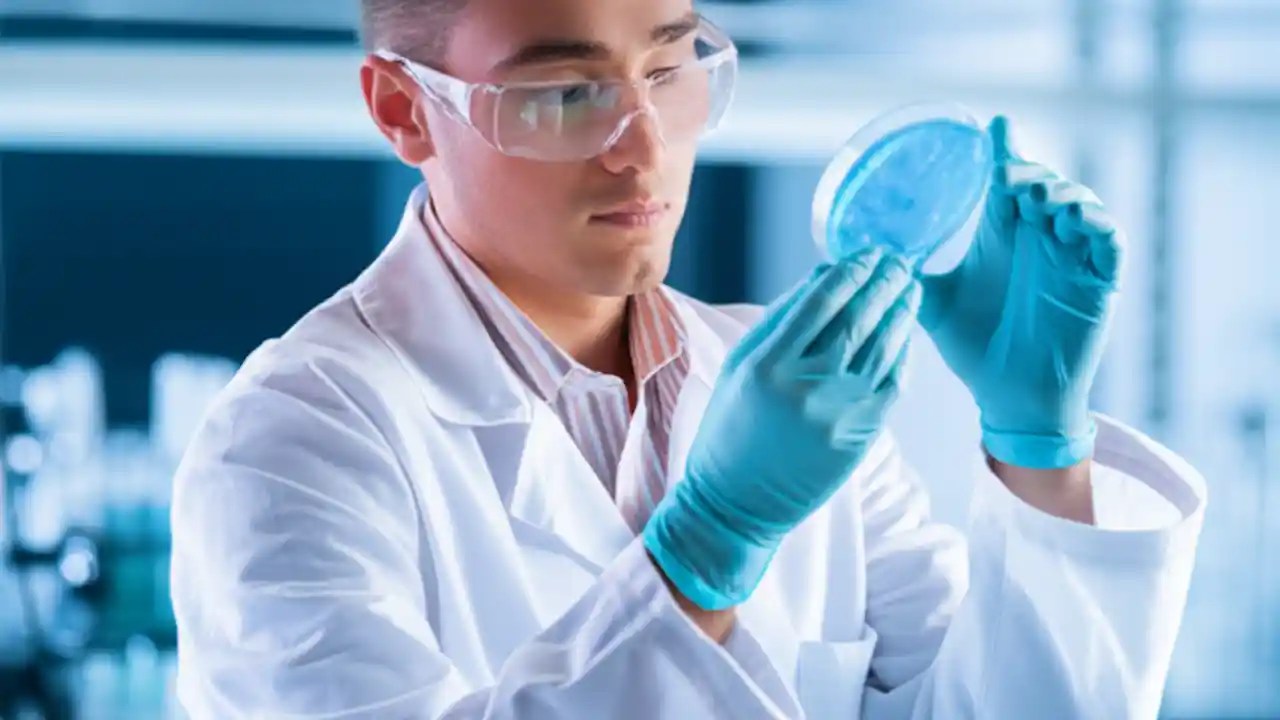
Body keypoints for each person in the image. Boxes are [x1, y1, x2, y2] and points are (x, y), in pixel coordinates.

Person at [168, 0, 1206, 717]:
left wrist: (1040, 449)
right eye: (565, 94)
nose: (642, 143)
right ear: (402, 109)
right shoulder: (290, 445)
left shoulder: (789, 400)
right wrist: (703, 554)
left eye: (668, 70)